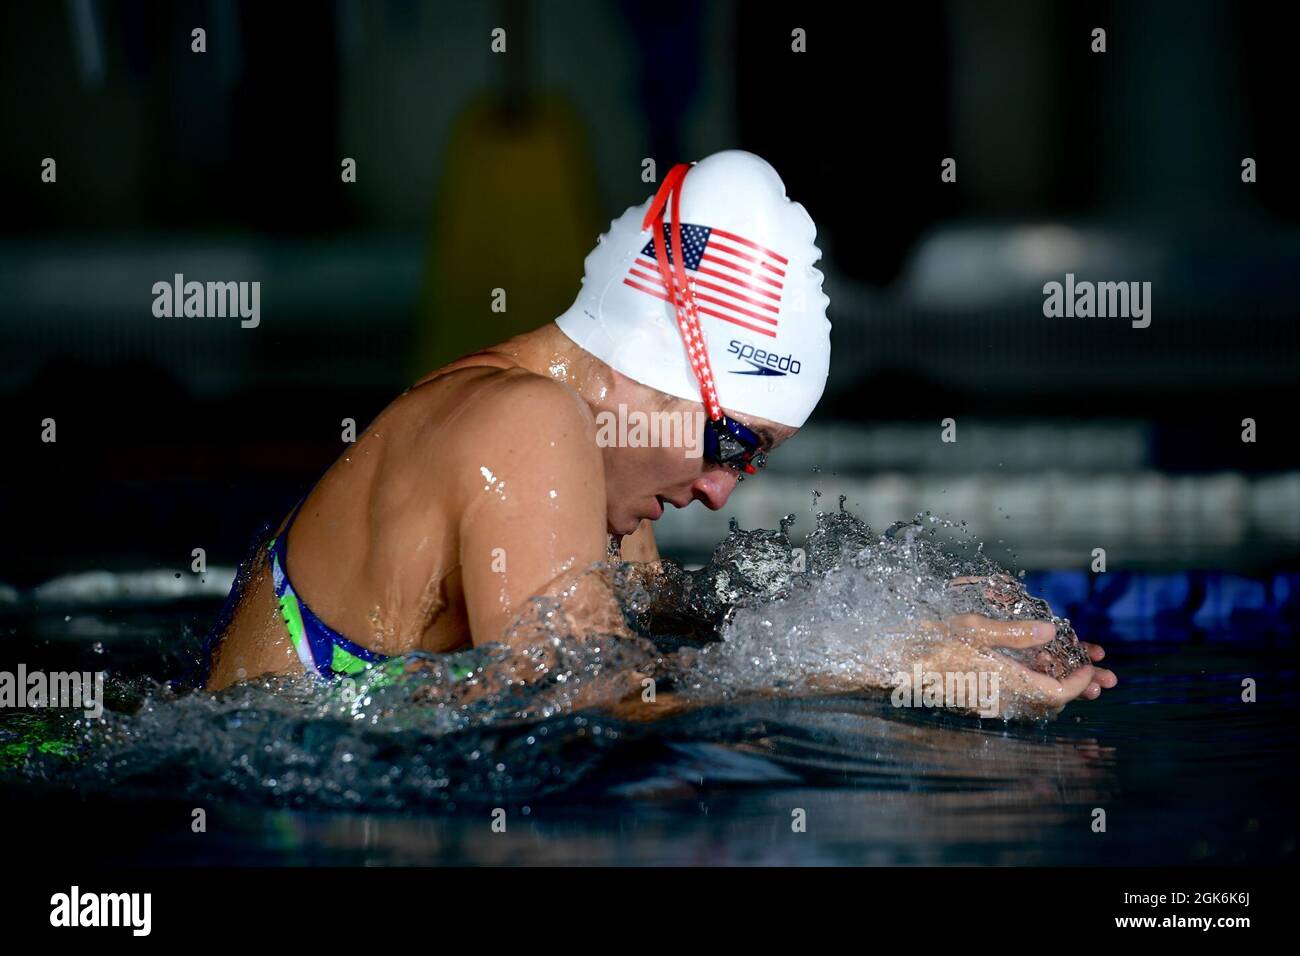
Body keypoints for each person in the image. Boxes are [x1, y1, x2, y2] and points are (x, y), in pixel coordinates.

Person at [201, 150, 1116, 717]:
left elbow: (659, 629)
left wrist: (902, 619)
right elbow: (578, 712)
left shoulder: (591, 464)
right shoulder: (526, 425)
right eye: (734, 446)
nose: (720, 491)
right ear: (668, 366)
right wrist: (869, 672)